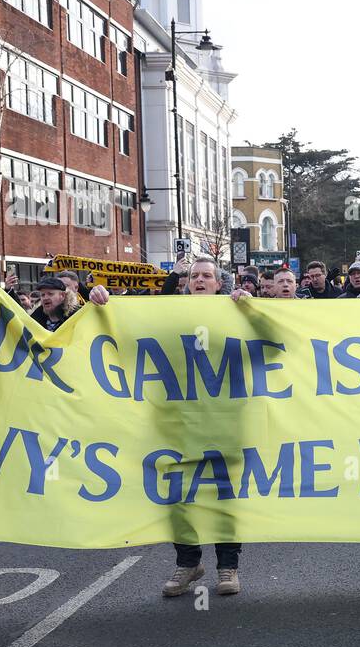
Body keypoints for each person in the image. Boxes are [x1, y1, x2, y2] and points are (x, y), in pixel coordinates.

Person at [99, 256, 254, 598]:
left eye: (206, 276)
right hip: (176, 427)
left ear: (218, 284)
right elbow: (130, 343)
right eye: (194, 276)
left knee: (224, 499)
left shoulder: (236, 317)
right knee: (176, 498)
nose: (199, 280)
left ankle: (228, 566)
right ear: (186, 284)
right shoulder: (168, 320)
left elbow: (272, 348)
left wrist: (251, 310)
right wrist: (104, 307)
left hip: (222, 427)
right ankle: (188, 562)